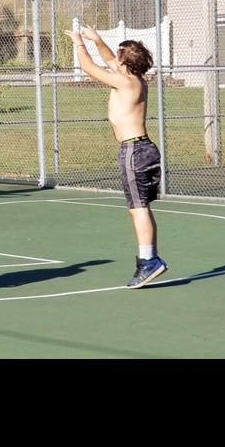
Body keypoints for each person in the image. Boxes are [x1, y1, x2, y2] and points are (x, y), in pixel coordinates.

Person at [65, 26, 166, 287]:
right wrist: (97, 39)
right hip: (142, 149)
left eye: (119, 54)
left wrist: (79, 43)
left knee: (138, 208)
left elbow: (89, 67)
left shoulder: (124, 81)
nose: (115, 57)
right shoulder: (134, 78)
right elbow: (109, 60)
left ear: (125, 61)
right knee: (141, 207)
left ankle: (149, 261)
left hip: (135, 152)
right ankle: (149, 258)